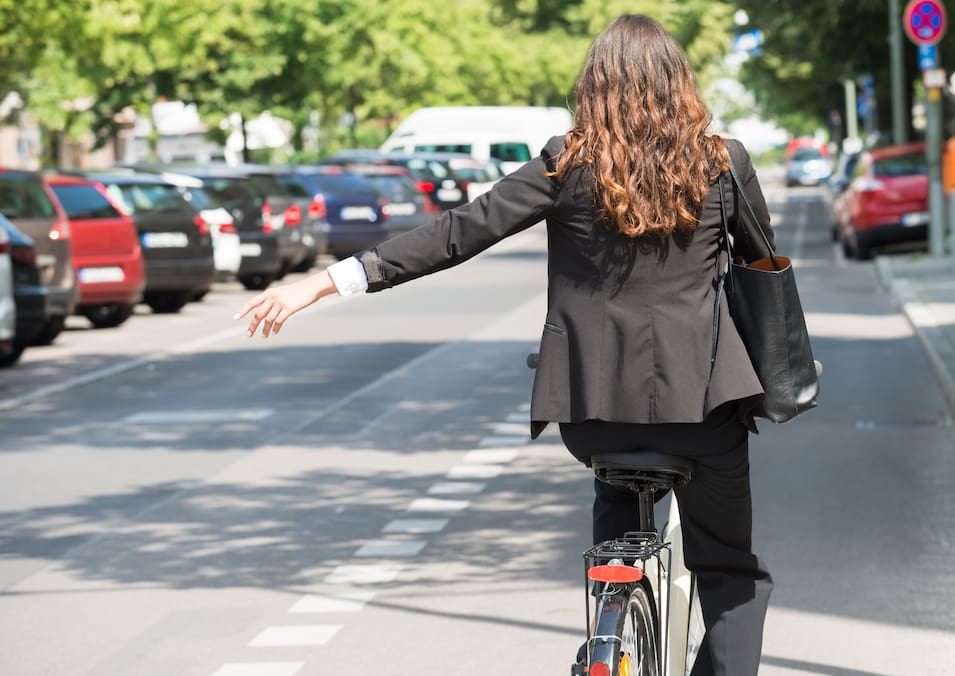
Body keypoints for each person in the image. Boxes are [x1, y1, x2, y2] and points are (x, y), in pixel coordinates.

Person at [236, 14, 775, 676]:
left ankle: (612, 615)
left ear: (595, 86)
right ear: (680, 85)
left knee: (617, 489)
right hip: (703, 409)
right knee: (728, 573)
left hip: (591, 412)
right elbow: (763, 266)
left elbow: (458, 232)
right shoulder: (724, 164)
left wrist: (328, 282)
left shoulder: (566, 163)